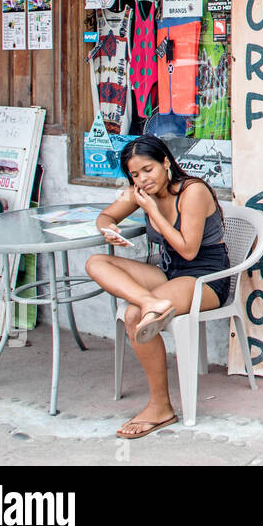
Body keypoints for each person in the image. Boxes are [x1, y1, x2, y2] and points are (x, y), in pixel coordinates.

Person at [86, 135, 229, 439]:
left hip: (205, 278)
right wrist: (107, 229)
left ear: (166, 163)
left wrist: (151, 211)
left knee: (134, 316)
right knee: (96, 263)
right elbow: (107, 215)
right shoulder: (138, 191)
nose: (142, 179)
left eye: (148, 170)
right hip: (169, 274)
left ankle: (160, 406)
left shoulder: (193, 191)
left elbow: (189, 250)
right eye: (135, 175)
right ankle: (151, 303)